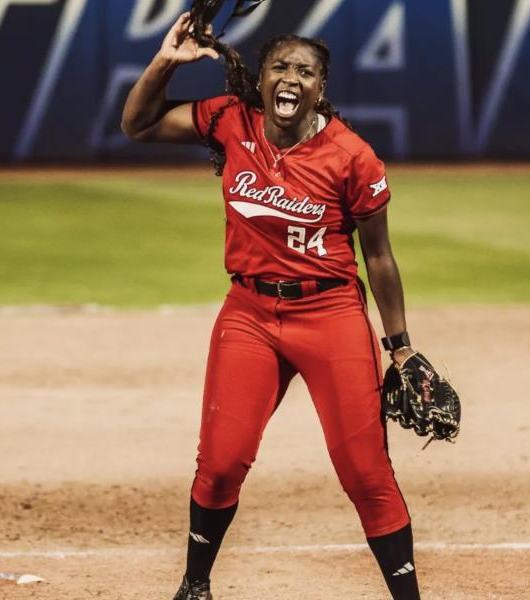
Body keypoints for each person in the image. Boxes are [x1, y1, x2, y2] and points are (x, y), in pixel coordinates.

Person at [121, 12, 424, 600]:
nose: (291, 78)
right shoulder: (231, 122)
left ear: (320, 88)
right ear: (260, 79)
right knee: (222, 463)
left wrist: (401, 347)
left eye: (305, 71)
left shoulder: (352, 156)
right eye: (280, 67)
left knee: (365, 472)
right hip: (250, 315)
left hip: (329, 314)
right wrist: (167, 62)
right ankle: (194, 586)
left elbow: (379, 258)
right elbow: (138, 125)